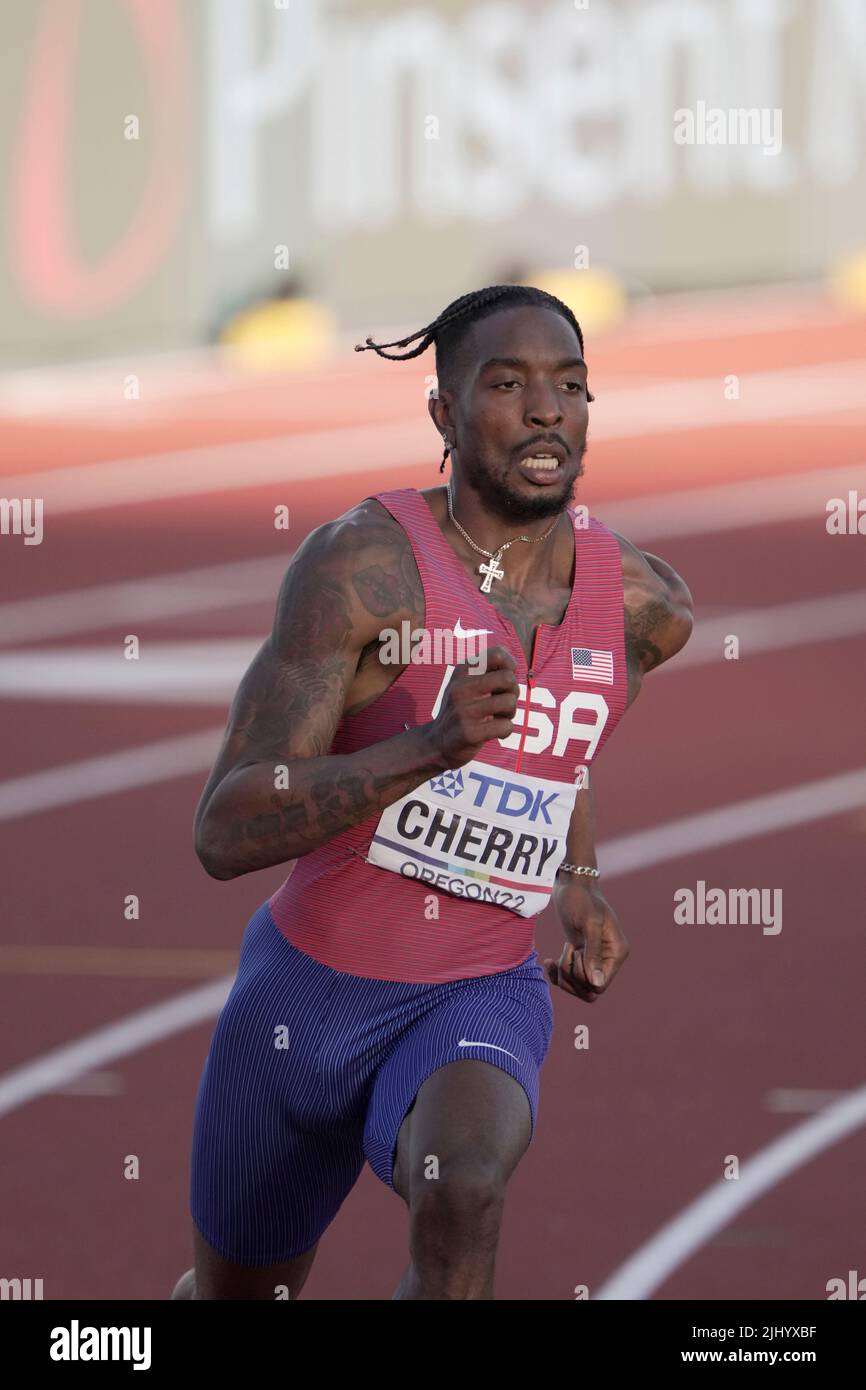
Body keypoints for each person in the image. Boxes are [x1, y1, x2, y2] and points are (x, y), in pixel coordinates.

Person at [171, 283, 693, 1301]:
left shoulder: (645, 606)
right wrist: (426, 746)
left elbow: (558, 738)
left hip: (475, 990)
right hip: (301, 1000)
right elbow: (224, 826)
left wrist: (576, 871)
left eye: (570, 385)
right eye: (507, 384)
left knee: (465, 1189)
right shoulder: (362, 572)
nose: (547, 409)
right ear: (443, 414)